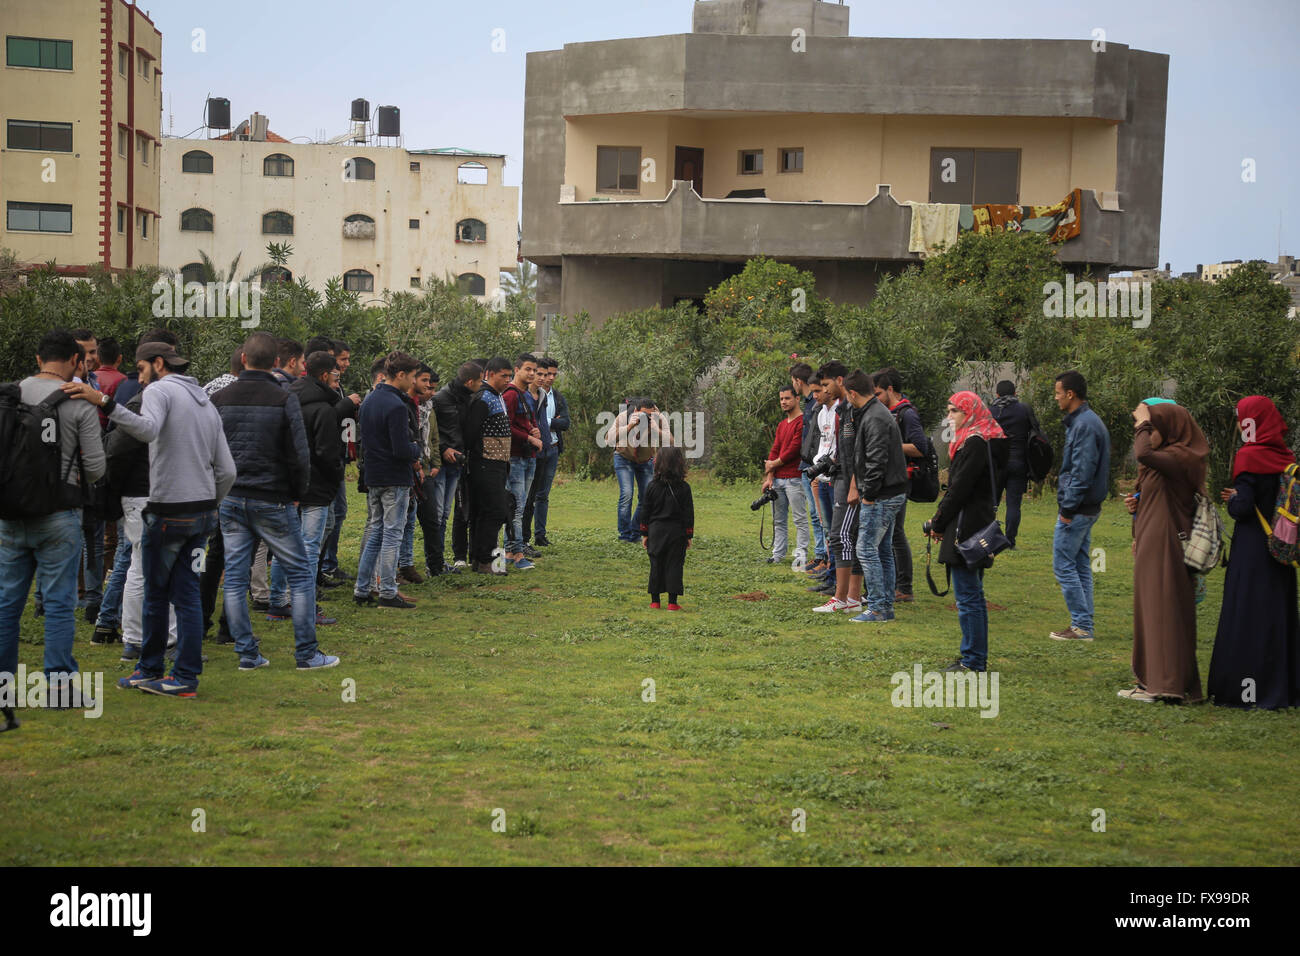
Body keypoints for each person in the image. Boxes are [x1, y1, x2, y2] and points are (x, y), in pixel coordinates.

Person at [65, 340, 237, 697]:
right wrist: (209, 503)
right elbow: (228, 471)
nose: (140, 381)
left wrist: (103, 402)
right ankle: (182, 675)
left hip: (168, 511)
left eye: (141, 370)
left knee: (157, 594)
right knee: (187, 594)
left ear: (158, 364)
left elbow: (146, 430)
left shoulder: (160, 391)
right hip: (201, 512)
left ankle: (152, 668)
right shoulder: (204, 401)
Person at [211, 331, 339, 669]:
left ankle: (247, 654)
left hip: (233, 497)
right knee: (299, 574)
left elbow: (210, 451)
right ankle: (307, 653)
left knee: (236, 578)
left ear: (243, 359)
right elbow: (299, 454)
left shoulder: (220, 398)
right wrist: (297, 494)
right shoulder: (283, 399)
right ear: (277, 363)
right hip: (273, 498)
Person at [0, 330, 107, 714]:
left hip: (11, 515)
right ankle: (59, 688)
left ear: (37, 357)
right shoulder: (77, 403)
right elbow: (95, 469)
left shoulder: (8, 396)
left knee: (7, 604)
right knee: (60, 603)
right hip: (60, 516)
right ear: (76, 363)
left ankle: (3, 689)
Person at [1208, 396, 1300, 709]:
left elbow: (1244, 506)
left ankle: (1247, 692)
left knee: (1248, 614)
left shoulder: (1248, 457)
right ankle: (1280, 689)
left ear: (1251, 422)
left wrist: (1234, 498)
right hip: (1279, 547)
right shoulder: (1283, 455)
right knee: (1275, 615)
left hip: (1252, 549)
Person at [1120, 400, 1208, 703]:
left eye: (1151, 427)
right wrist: (1138, 501)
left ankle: (1166, 685)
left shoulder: (1181, 456)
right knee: (1153, 609)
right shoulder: (1166, 458)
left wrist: (1143, 420)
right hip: (1152, 540)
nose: (1143, 430)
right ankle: (1153, 681)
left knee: (1164, 609)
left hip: (1166, 543)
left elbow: (1142, 452)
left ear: (1169, 427)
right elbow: (1154, 486)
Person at [925, 392, 1008, 672]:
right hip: (973, 520)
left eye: (954, 411)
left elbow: (959, 489)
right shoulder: (984, 438)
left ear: (970, 413)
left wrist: (938, 522)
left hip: (967, 524)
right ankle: (973, 655)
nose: (949, 417)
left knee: (968, 595)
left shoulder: (974, 442)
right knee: (972, 593)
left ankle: (973, 660)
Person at [268, 351, 346, 623]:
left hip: (288, 482)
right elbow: (327, 452)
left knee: (285, 544)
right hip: (316, 485)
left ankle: (278, 600)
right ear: (324, 375)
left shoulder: (286, 398)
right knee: (310, 546)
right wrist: (336, 475)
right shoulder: (323, 409)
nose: (338, 379)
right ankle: (305, 605)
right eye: (335, 374)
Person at [354, 352, 423, 608]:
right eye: (414, 376)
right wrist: (417, 450)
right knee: (392, 535)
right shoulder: (396, 405)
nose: (414, 382)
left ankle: (362, 589)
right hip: (394, 477)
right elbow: (400, 449)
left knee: (375, 532)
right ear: (401, 375)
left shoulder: (370, 400)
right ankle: (387, 591)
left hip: (374, 474)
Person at [1050, 370, 1110, 642]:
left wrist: (1067, 509)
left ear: (1070, 394)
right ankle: (1084, 623)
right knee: (1080, 564)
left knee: (1063, 564)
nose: (1056, 398)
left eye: (1058, 393)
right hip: (1087, 507)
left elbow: (1082, 472)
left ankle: (1081, 626)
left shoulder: (1084, 425)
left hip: (1078, 508)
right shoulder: (1085, 421)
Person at [845, 370, 909, 623]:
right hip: (889, 491)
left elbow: (877, 460)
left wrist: (868, 494)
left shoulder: (875, 417)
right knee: (882, 549)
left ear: (852, 393)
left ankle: (878, 607)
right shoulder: (875, 413)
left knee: (865, 548)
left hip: (881, 494)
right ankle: (885, 606)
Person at [812, 362, 865, 614]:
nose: (823, 390)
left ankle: (841, 597)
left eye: (825, 385)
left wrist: (854, 484)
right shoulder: (843, 410)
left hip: (852, 482)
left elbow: (858, 452)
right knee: (847, 537)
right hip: (842, 477)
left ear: (840, 381)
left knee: (840, 536)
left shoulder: (854, 410)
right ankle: (852, 598)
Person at [872, 367, 927, 603]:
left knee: (896, 534)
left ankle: (904, 588)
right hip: (889, 479)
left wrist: (889, 445)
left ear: (890, 390)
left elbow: (919, 447)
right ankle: (895, 585)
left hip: (902, 481)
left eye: (878, 394)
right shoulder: (890, 411)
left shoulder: (907, 414)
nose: (875, 399)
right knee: (891, 534)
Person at [463, 357, 513, 575]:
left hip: (498, 463)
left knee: (489, 511)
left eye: (509, 376)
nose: (507, 380)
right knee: (494, 511)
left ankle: (480, 559)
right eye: (504, 375)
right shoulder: (484, 397)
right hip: (485, 463)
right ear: (489, 374)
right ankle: (486, 560)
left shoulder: (497, 396)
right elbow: (471, 432)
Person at [430, 362, 480, 574]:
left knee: (446, 513)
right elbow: (431, 431)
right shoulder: (440, 399)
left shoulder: (469, 398)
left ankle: (440, 561)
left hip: (458, 463)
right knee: (438, 513)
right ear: (470, 382)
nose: (481, 385)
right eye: (479, 381)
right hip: (441, 464)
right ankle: (434, 562)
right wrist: (443, 449)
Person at [607, 398, 671, 543]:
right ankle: (624, 534)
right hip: (623, 457)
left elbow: (671, 441)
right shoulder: (624, 417)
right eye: (644, 415)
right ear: (636, 411)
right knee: (627, 494)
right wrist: (630, 426)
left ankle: (636, 531)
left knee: (646, 497)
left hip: (645, 460)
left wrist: (656, 429)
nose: (647, 418)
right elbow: (608, 439)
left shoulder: (658, 418)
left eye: (650, 415)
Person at [399, 364, 440, 584]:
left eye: (432, 386)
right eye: (424, 382)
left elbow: (433, 438)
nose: (429, 389)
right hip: (408, 468)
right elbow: (407, 440)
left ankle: (413, 564)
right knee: (400, 521)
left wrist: (435, 462)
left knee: (422, 519)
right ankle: (398, 567)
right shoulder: (404, 404)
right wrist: (416, 463)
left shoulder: (428, 407)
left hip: (424, 468)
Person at [640, 446, 694, 610]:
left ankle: (655, 601)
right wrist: (688, 535)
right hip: (676, 532)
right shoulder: (684, 488)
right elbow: (688, 514)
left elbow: (645, 511)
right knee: (674, 565)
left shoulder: (651, 487)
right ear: (679, 464)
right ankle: (672, 603)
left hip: (655, 531)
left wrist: (644, 533)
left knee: (655, 564)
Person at [502, 353, 542, 569]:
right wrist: (528, 437)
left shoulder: (526, 394)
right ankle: (516, 554)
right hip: (515, 456)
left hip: (529, 456)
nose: (532, 373)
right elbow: (506, 426)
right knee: (516, 507)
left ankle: (510, 552)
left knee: (522, 505)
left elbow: (529, 419)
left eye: (534, 370)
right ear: (516, 370)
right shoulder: (510, 394)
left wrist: (534, 430)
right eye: (528, 369)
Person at [761, 384, 809, 565]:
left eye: (787, 398)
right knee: (778, 520)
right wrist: (770, 477)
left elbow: (794, 450)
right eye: (781, 399)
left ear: (797, 399)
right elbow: (775, 449)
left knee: (799, 519)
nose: (784, 402)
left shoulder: (803, 421)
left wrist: (773, 463)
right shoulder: (782, 425)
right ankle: (778, 555)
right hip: (778, 479)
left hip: (795, 478)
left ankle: (800, 556)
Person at [524, 356, 568, 548]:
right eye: (544, 374)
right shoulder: (529, 395)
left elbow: (565, 423)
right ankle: (521, 539)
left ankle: (540, 534)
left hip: (553, 448)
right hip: (534, 449)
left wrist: (547, 423)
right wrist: (548, 423)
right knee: (528, 495)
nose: (548, 378)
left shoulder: (557, 397)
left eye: (552, 374)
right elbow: (531, 421)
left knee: (543, 494)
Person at [989, 380, 1036, 549]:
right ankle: (1010, 541)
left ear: (997, 395)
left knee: (991, 503)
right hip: (1018, 461)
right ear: (1015, 394)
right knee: (1014, 504)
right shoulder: (1023, 410)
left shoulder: (991, 411)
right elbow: (1035, 431)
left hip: (996, 463)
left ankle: (988, 537)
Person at [793, 363, 829, 574]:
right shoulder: (810, 405)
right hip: (808, 465)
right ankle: (820, 555)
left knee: (819, 514)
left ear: (798, 381)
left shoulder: (815, 407)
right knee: (815, 514)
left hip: (816, 467)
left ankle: (825, 557)